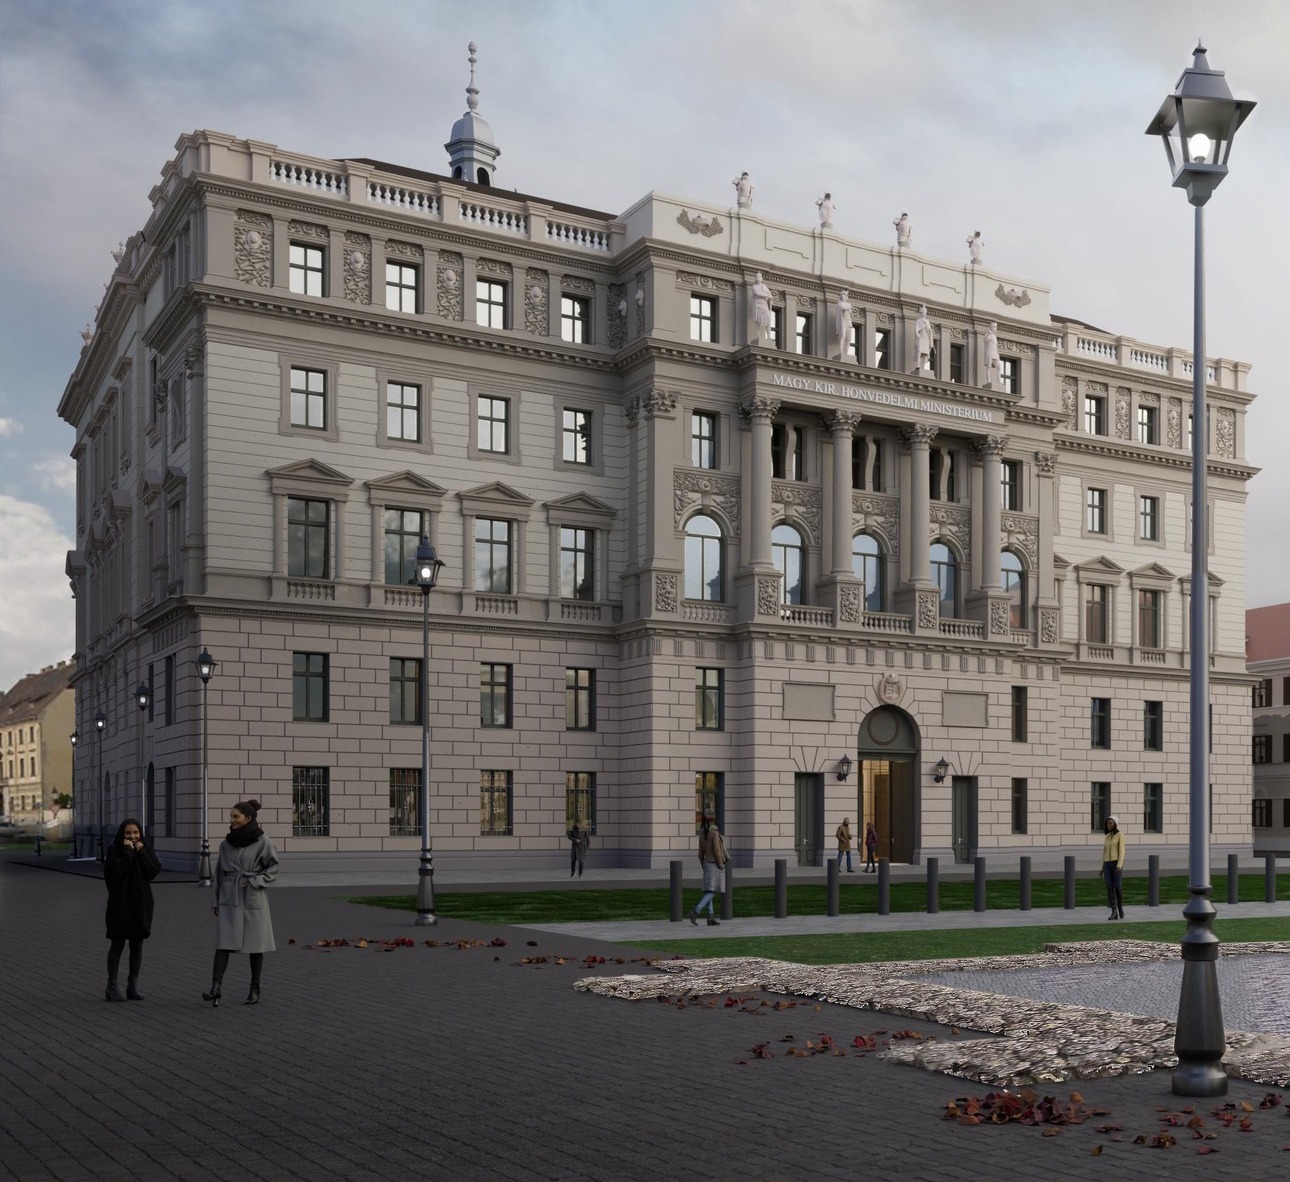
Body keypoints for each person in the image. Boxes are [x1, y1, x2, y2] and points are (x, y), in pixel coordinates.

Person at [203, 799, 279, 1006]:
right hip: (229, 896)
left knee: (256, 944)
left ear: (248, 818)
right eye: (231, 816)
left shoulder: (264, 842)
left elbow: (273, 869)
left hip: (253, 895)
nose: (232, 820)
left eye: (236, 816)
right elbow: (219, 874)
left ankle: (255, 987)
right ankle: (215, 988)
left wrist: (255, 881)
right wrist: (215, 901)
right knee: (223, 942)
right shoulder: (226, 844)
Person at [102, 817, 161, 1001]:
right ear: (122, 834)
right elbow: (114, 873)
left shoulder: (145, 849)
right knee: (117, 944)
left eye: (135, 832)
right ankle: (112, 987)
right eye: (128, 833)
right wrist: (128, 852)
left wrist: (142, 853)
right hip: (120, 904)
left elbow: (153, 872)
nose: (132, 836)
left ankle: (132, 986)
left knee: (137, 945)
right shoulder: (115, 850)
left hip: (141, 905)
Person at [686, 810, 727, 926]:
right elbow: (717, 851)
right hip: (714, 864)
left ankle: (710, 916)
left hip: (706, 864)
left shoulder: (702, 834)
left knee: (709, 889)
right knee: (713, 891)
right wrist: (721, 864)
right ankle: (695, 911)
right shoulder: (714, 833)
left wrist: (704, 865)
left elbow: (700, 854)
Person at [1102, 815, 1125, 920]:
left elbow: (1122, 851)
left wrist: (1119, 865)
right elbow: (1104, 852)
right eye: (1107, 823)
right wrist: (1102, 867)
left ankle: (1120, 907)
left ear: (1115, 824)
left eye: (1110, 823)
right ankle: (1114, 911)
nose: (1108, 825)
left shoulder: (1120, 835)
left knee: (1117, 887)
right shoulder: (1106, 837)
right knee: (1109, 887)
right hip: (1107, 864)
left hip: (1116, 864)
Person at [751, 272, 774, 343]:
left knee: (768, 319)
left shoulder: (764, 286)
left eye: (760, 276)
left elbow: (770, 295)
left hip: (764, 304)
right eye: (757, 276)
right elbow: (757, 293)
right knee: (758, 321)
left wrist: (770, 299)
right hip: (758, 305)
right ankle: (757, 336)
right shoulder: (754, 286)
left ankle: (769, 336)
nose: (758, 278)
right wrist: (767, 296)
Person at [914, 305, 932, 372]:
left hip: (926, 337)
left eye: (925, 313)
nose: (924, 314)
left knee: (925, 353)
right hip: (921, 336)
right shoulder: (918, 320)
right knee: (919, 350)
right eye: (923, 312)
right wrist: (917, 334)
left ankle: (923, 366)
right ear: (921, 313)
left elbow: (929, 330)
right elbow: (916, 329)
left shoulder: (927, 321)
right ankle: (918, 365)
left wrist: (928, 328)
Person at [835, 289, 853, 354]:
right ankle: (841, 351)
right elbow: (843, 307)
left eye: (844, 296)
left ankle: (846, 352)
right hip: (843, 321)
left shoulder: (848, 304)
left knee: (849, 338)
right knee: (842, 335)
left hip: (849, 321)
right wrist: (848, 307)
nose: (843, 297)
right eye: (842, 296)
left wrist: (848, 307)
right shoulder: (839, 304)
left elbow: (850, 311)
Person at [983, 321, 1001, 387]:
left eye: (995, 327)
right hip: (989, 353)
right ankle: (989, 381)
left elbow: (995, 346)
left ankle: (999, 381)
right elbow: (984, 341)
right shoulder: (988, 335)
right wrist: (988, 334)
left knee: (999, 367)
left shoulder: (994, 336)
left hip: (995, 353)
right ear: (991, 328)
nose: (995, 328)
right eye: (993, 327)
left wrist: (997, 353)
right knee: (988, 367)